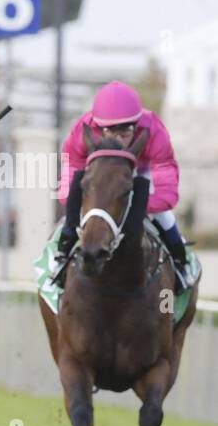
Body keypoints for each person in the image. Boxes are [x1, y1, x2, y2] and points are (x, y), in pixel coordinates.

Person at [52, 80, 194, 288]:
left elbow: (166, 182)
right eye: (111, 132)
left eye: (125, 133)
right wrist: (79, 199)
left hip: (140, 173)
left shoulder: (154, 130)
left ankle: (181, 262)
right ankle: (61, 256)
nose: (118, 139)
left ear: (136, 126)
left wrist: (140, 204)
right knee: (75, 211)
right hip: (101, 175)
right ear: (99, 128)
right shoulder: (83, 130)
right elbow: (73, 166)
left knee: (163, 216)